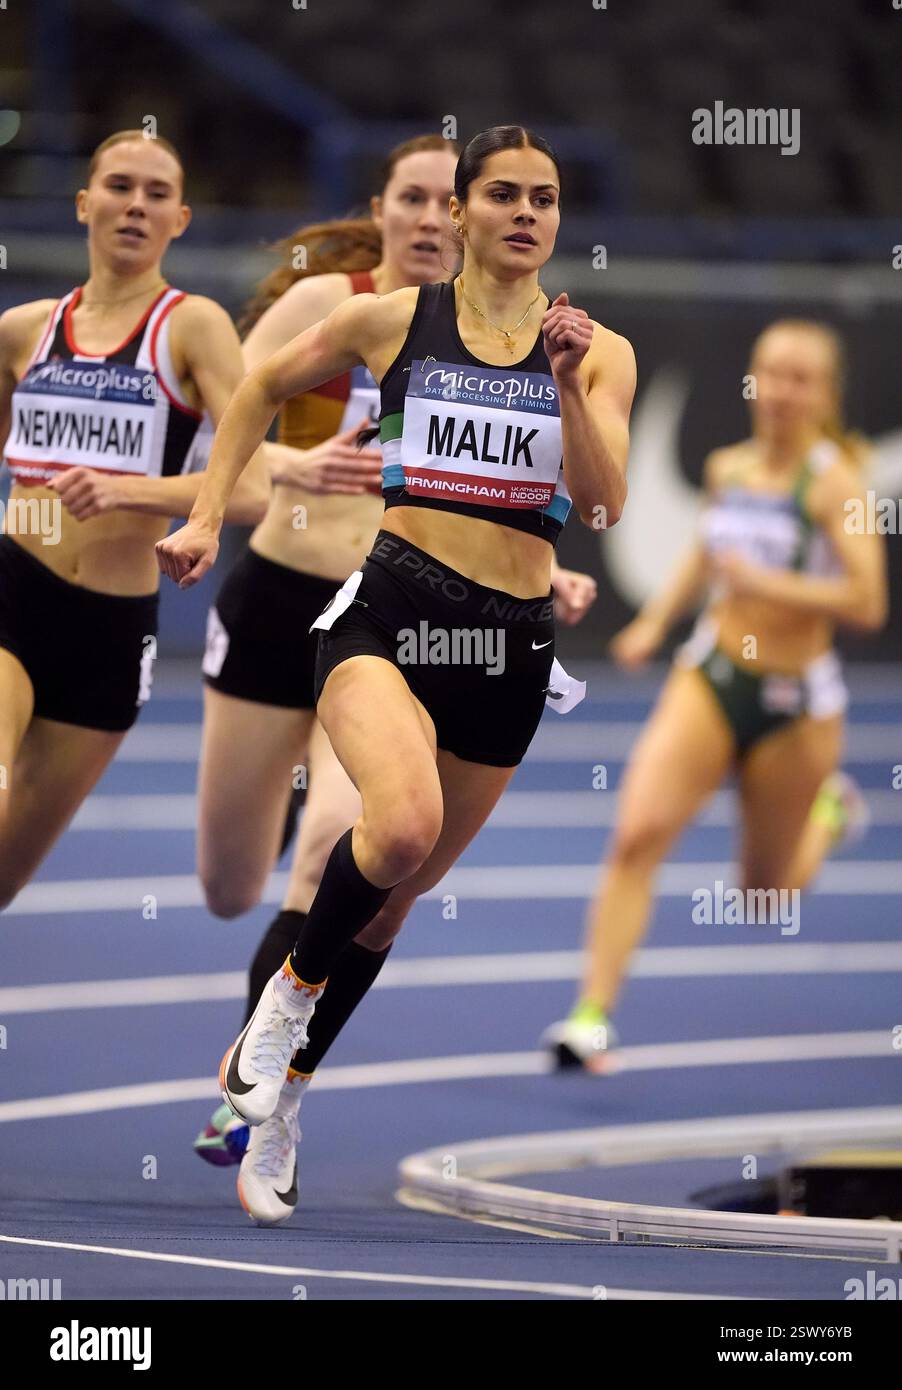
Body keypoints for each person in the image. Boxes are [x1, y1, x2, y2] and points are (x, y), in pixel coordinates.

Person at [158, 124, 635, 1222]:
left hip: (507, 648)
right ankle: (281, 1004)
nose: (525, 213)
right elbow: (260, 384)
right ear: (460, 212)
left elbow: (604, 507)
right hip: (390, 611)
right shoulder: (390, 320)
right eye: (502, 194)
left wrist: (564, 387)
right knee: (398, 828)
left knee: (387, 904)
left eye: (545, 199)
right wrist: (199, 513)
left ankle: (281, 1103)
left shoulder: (595, 348)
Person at [541, 319, 887, 1070]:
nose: (782, 392)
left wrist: (770, 584)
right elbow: (705, 553)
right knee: (636, 837)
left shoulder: (834, 483)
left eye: (801, 378)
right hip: (714, 673)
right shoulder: (730, 469)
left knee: (766, 899)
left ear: (825, 394)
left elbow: (867, 603)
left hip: (796, 703)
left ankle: (827, 815)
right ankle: (590, 1016)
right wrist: (655, 623)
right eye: (771, 374)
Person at [0, 130, 268, 911]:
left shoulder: (193, 327)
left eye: (157, 194)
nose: (136, 205)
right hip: (13, 593)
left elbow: (249, 492)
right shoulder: (22, 332)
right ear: (86, 204)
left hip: (110, 632)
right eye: (120, 186)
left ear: (179, 220)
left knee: (7, 876)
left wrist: (128, 492)